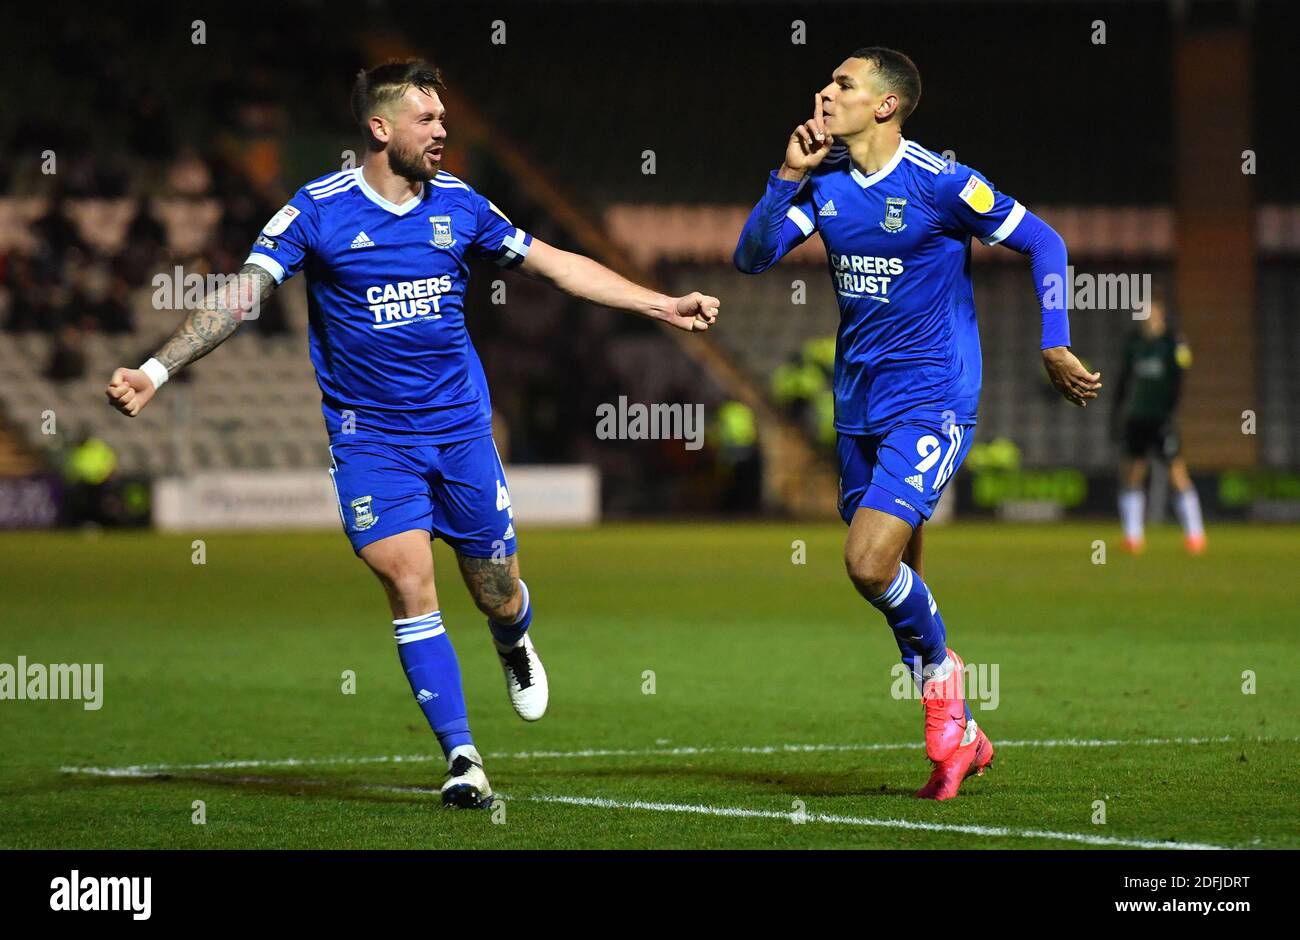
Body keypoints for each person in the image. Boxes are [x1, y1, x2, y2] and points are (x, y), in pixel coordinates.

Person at [106, 59, 720, 809]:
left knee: (496, 592)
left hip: (460, 432)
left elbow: (554, 265)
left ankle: (512, 636)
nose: (442, 132)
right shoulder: (316, 210)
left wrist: (659, 305)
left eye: (443, 120)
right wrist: (155, 371)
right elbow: (243, 293)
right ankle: (463, 757)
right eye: (427, 120)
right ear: (379, 127)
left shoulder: (460, 204)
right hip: (370, 442)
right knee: (407, 582)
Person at [734, 47, 1100, 799]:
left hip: (933, 397)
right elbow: (753, 255)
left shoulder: (942, 184)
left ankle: (944, 687)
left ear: (886, 105)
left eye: (843, 84)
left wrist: (1054, 338)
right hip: (858, 404)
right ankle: (961, 732)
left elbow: (1045, 240)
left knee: (866, 561)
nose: (825, 93)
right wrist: (787, 176)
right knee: (900, 578)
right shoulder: (828, 182)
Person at [1112, 291, 1204, 554]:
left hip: (1161, 418)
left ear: (1161, 311)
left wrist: (1169, 412)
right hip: (1136, 417)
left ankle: (1195, 534)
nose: (1145, 315)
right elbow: (1123, 381)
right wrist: (1117, 414)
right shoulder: (1133, 344)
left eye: (1149, 310)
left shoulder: (1172, 343)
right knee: (1132, 472)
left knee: (1176, 472)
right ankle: (1132, 536)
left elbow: (1179, 380)